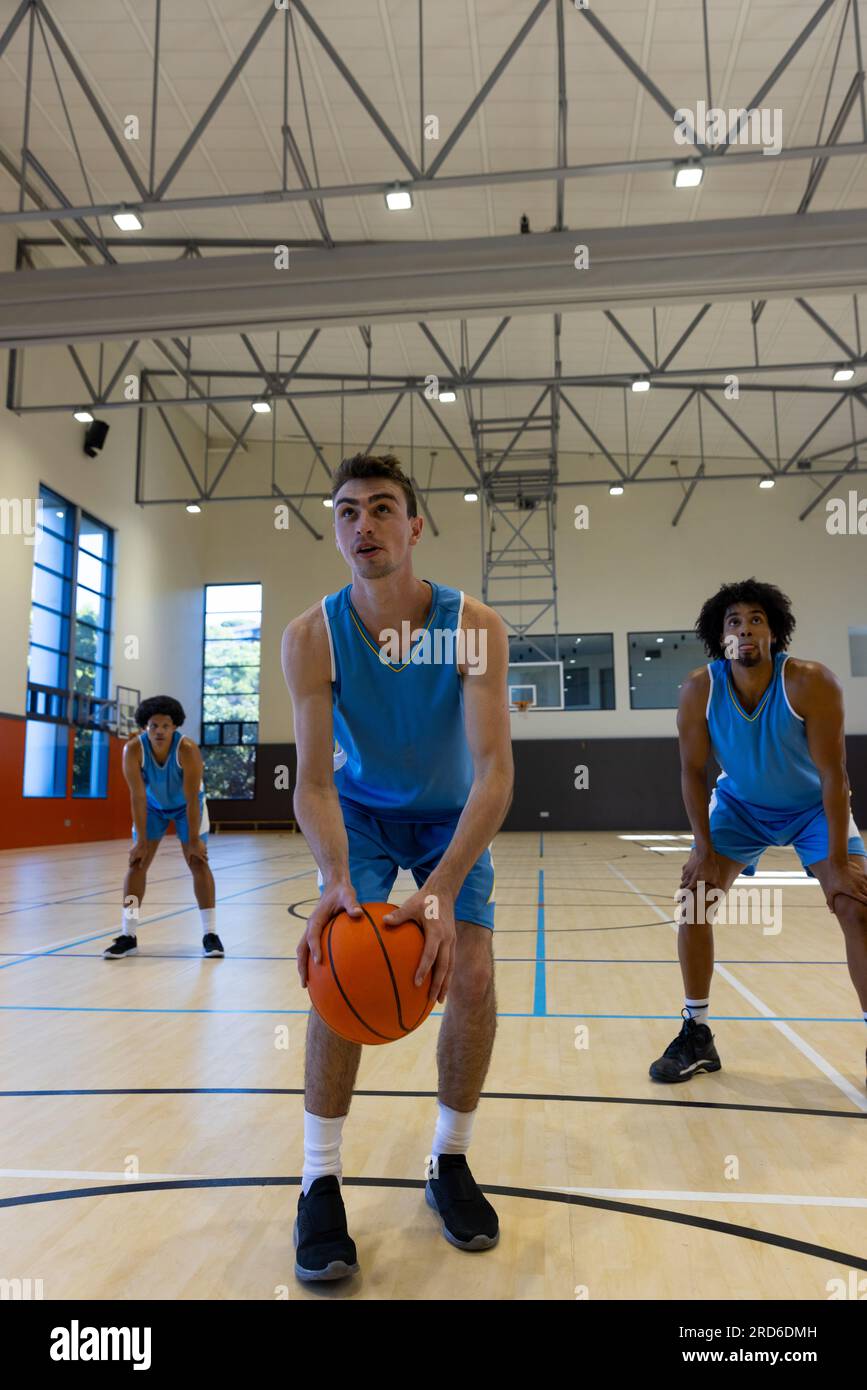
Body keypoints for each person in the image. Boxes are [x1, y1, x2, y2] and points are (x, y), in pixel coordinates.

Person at [281, 452, 513, 1281]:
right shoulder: (310, 635)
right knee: (335, 968)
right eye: (347, 512)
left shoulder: (473, 626)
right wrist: (336, 882)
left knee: (475, 976)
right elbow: (310, 783)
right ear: (335, 530)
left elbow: (493, 774)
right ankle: (319, 1180)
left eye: (382, 509)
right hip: (363, 818)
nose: (363, 525)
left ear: (414, 527)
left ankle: (448, 1160)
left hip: (452, 816)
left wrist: (442, 890)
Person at [651, 579, 867, 1084]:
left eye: (755, 620)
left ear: (774, 633)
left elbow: (835, 776)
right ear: (719, 638)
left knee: (856, 907)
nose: (744, 629)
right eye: (733, 622)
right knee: (694, 899)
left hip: (813, 808)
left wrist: (837, 860)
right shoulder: (699, 689)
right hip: (741, 807)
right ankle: (697, 1033)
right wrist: (703, 848)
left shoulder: (811, 682)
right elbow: (692, 773)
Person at [103, 695, 223, 959]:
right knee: (137, 864)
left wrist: (193, 839)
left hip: (187, 807)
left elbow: (192, 798)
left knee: (198, 861)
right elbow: (137, 796)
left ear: (175, 727)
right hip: (152, 807)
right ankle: (128, 935)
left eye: (165, 726)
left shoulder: (187, 750)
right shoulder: (133, 750)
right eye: (153, 725)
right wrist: (141, 841)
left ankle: (210, 934)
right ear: (145, 726)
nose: (159, 731)